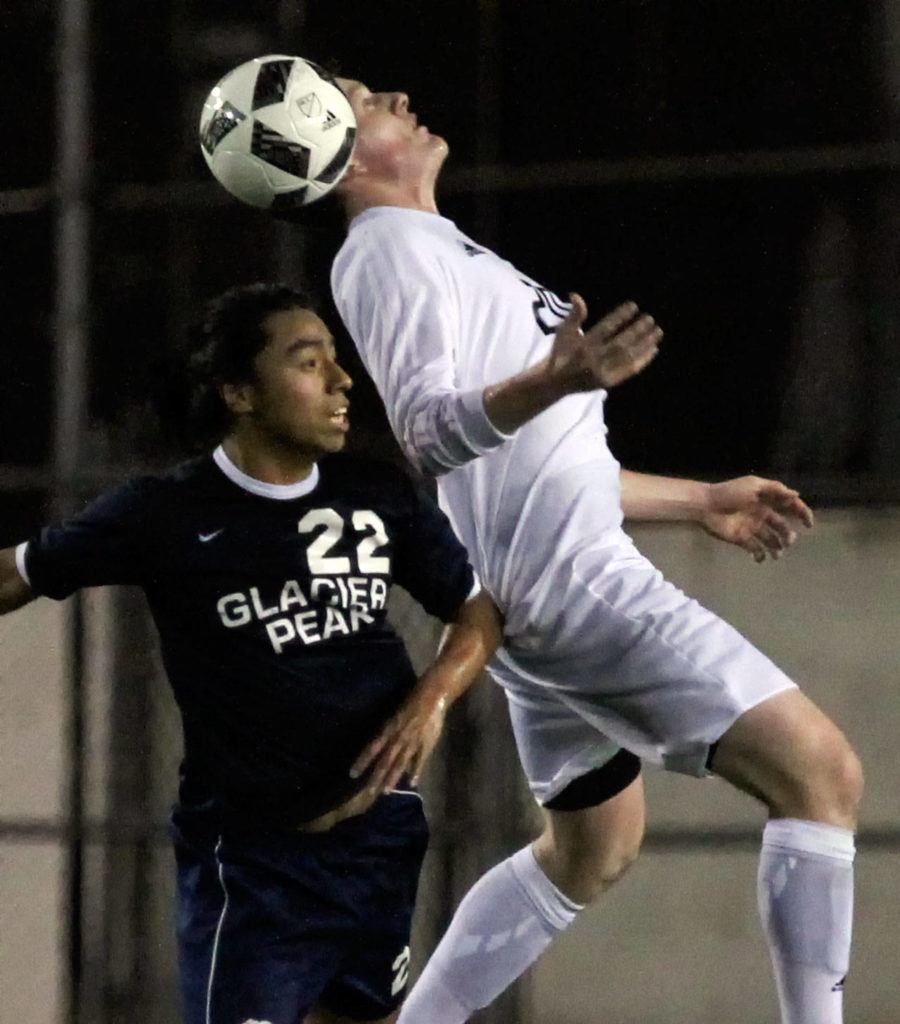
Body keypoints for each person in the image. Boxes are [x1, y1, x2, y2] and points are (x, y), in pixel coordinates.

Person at [322, 77, 863, 1024]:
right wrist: (552, 377)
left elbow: (535, 470)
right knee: (822, 773)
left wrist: (698, 498)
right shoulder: (386, 249)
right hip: (577, 590)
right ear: (333, 148)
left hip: (539, 590)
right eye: (364, 98)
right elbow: (426, 435)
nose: (396, 95)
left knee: (591, 849)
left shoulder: (431, 246)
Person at [0, 283, 504, 1024]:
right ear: (239, 391)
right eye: (309, 362)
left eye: (336, 359)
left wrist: (433, 699)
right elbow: (16, 573)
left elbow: (477, 611)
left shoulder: (377, 495)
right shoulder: (166, 512)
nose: (341, 381)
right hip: (254, 868)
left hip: (377, 847)